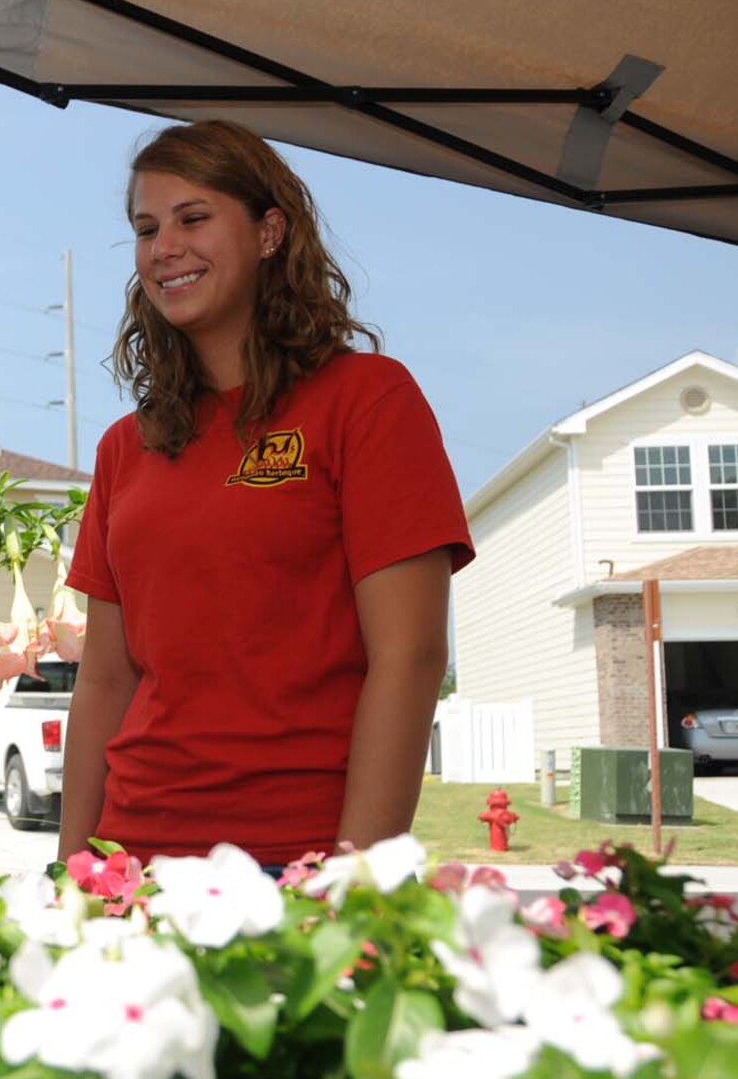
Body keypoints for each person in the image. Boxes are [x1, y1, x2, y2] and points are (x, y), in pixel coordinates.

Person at [59, 120, 472, 869]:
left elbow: (409, 656)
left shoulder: (367, 400)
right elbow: (106, 677)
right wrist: (72, 870)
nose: (164, 248)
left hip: (294, 858)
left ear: (270, 230)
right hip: (133, 856)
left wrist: (352, 880)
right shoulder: (126, 446)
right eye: (147, 228)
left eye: (194, 218)